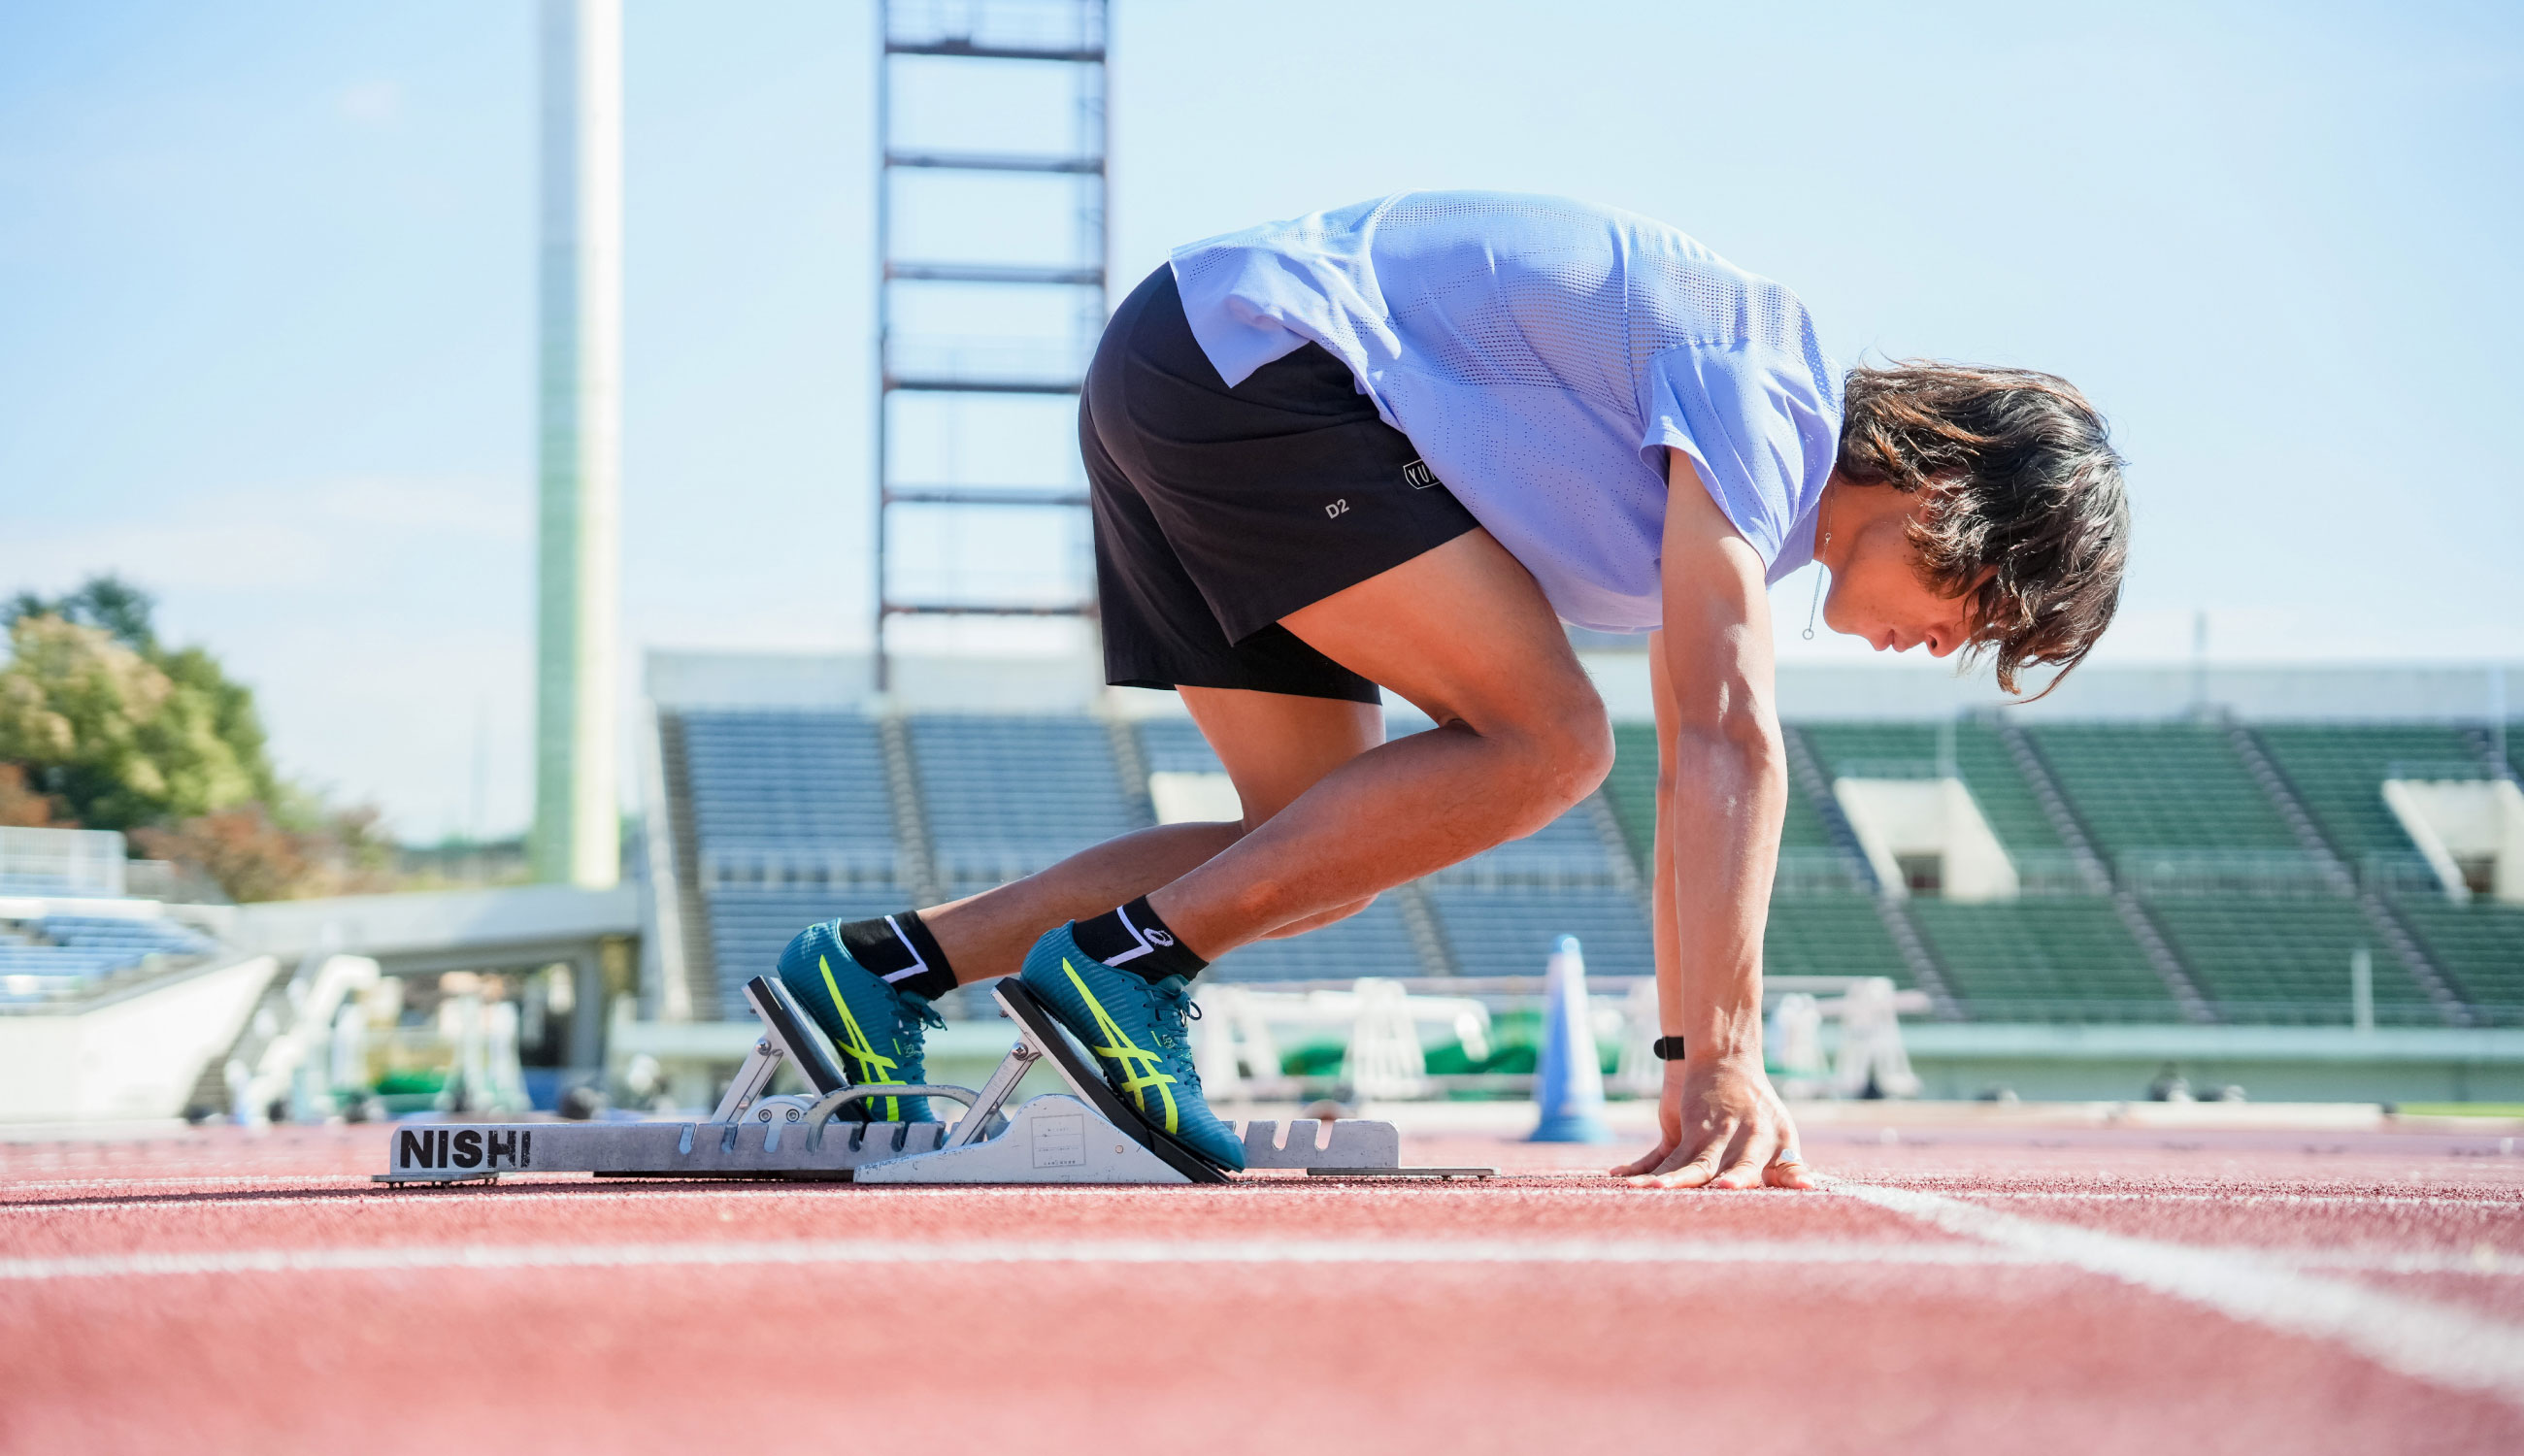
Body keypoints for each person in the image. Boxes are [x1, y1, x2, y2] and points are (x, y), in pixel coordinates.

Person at [778, 191, 2127, 1185]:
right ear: (1949, 492)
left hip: (1192, 368)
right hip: (1252, 371)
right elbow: (1722, 741)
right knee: (1552, 742)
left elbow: (1705, 773)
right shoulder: (1777, 397)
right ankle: (1126, 967)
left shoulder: (1748, 484)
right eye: (1982, 611)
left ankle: (880, 971)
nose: (1951, 647)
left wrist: (1693, 1055)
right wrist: (1715, 1060)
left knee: (1313, 847)